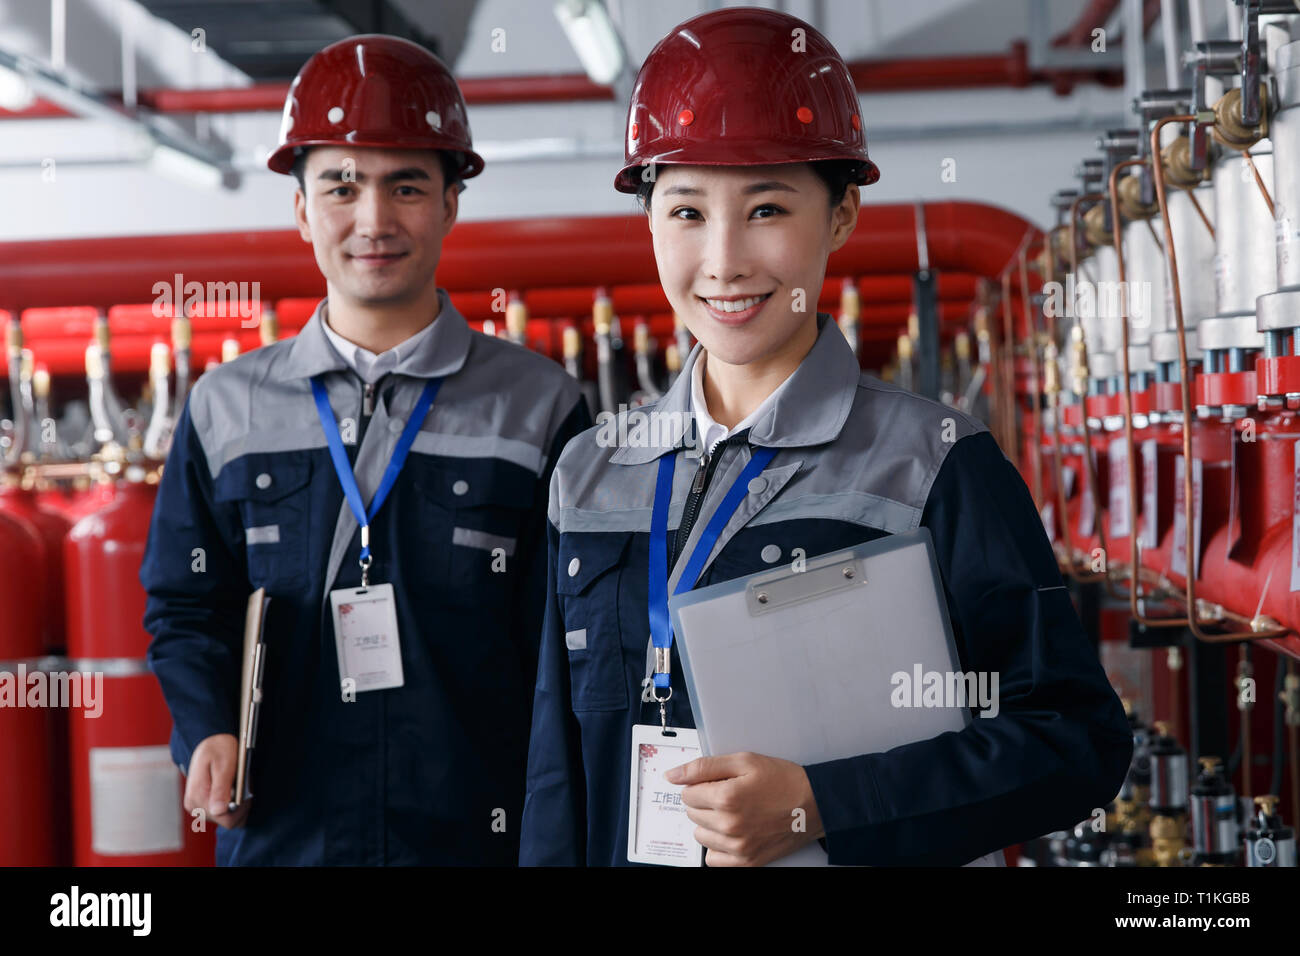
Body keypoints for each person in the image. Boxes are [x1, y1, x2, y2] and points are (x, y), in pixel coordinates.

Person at [519, 7, 1132, 867]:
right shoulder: (590, 472)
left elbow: (1075, 743)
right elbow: (558, 774)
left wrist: (823, 806)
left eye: (766, 208)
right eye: (688, 212)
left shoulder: (936, 465)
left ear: (842, 214)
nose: (725, 260)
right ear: (647, 220)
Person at [140, 34, 590, 865]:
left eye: (407, 186)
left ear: (452, 202)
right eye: (341, 186)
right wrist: (205, 727)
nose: (374, 220)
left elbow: (568, 651)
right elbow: (185, 607)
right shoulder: (224, 407)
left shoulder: (542, 407)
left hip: (473, 843)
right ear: (303, 207)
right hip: (285, 842)